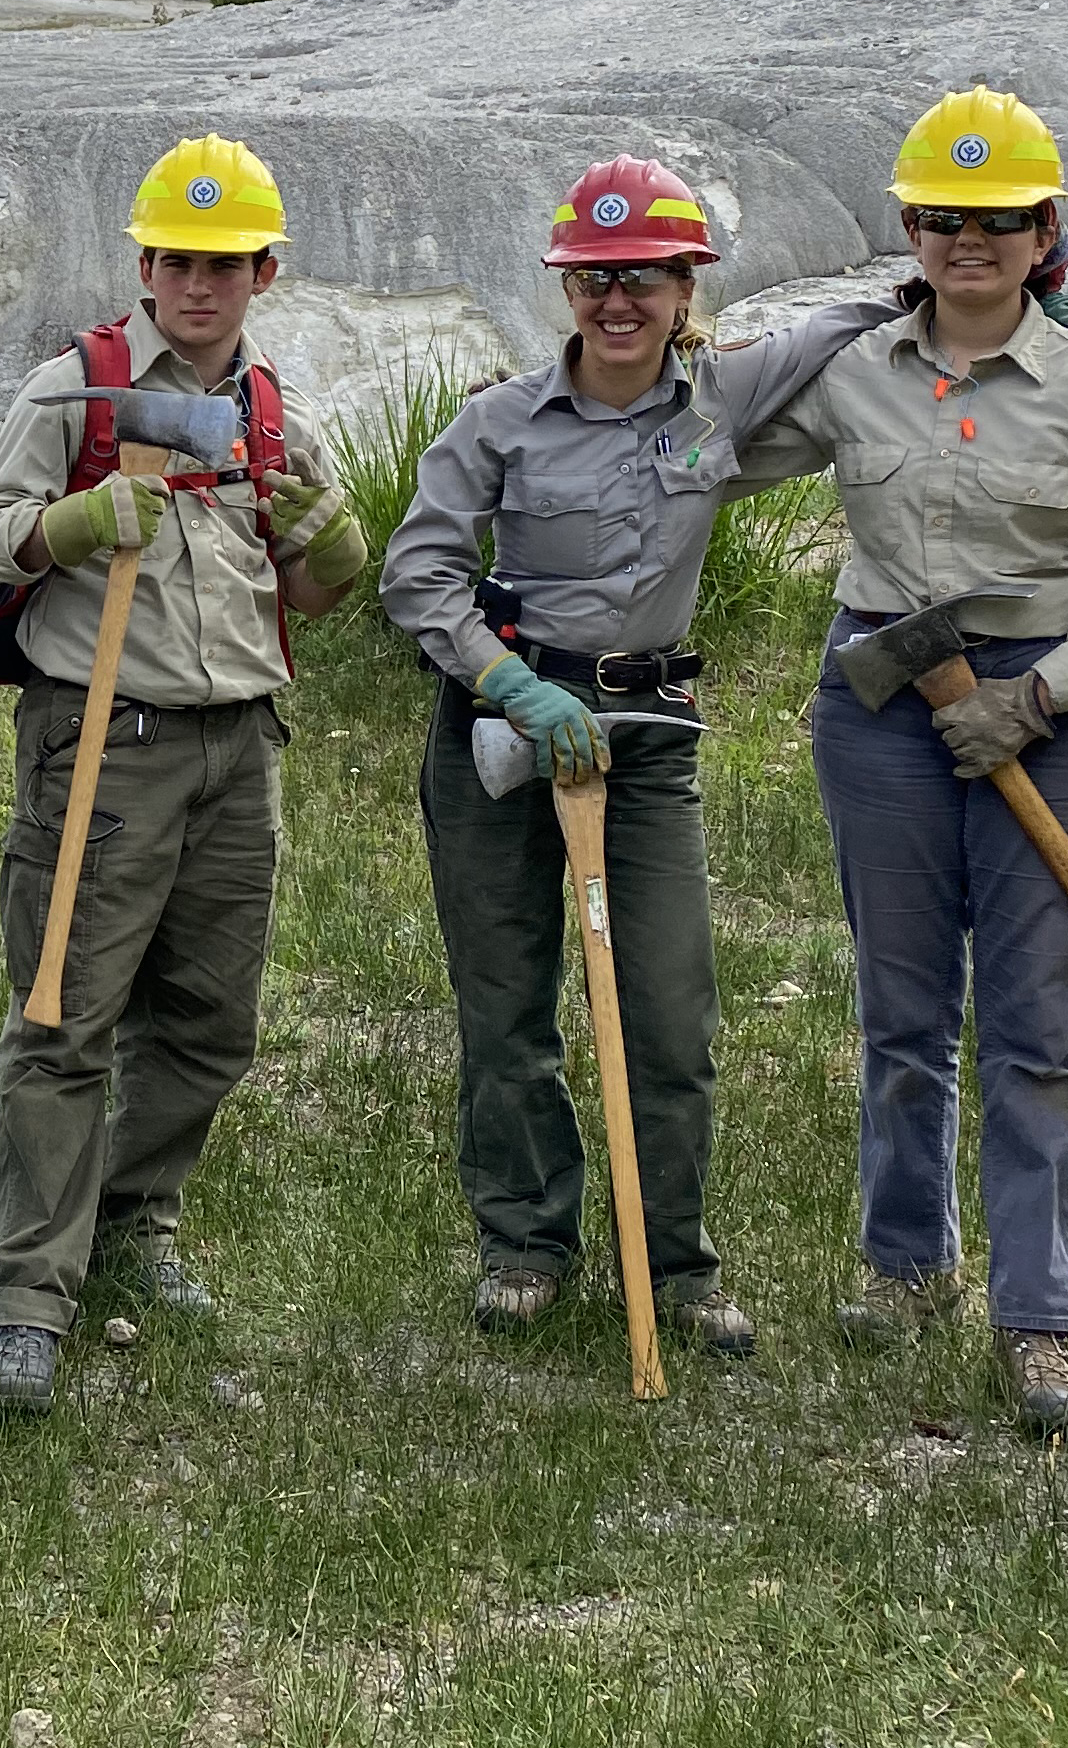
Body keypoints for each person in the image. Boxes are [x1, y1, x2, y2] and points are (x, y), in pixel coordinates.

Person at [383, 158, 895, 1355]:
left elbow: (851, 322)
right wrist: (507, 682)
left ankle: (674, 1265)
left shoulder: (724, 396)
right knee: (505, 1005)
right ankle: (525, 1244)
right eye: (594, 279)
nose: (617, 302)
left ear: (685, 288)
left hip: (647, 735)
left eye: (644, 279)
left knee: (669, 1011)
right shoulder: (498, 422)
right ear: (567, 289)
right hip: (501, 729)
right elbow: (419, 573)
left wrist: (1025, 301)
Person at [735, 91, 1068, 1433]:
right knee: (904, 1003)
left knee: (1040, 1025)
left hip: (1057, 707)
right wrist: (588, 408)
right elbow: (707, 456)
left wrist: (1038, 697)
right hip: (882, 701)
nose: (968, 241)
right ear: (911, 230)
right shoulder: (855, 372)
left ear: (1046, 234)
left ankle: (1038, 1318)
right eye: (942, 217)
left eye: (999, 220)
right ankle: (905, 1262)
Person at [0, 139, 371, 1413]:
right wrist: (75, 522)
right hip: (103, 738)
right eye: (179, 261)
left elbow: (305, 589)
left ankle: (135, 1225)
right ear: (145, 263)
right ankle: (29, 1294)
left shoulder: (271, 412)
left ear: (264, 274)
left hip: (238, 744)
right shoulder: (75, 390)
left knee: (207, 1019)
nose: (199, 284)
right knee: (63, 1017)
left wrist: (332, 548)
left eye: (225, 265)